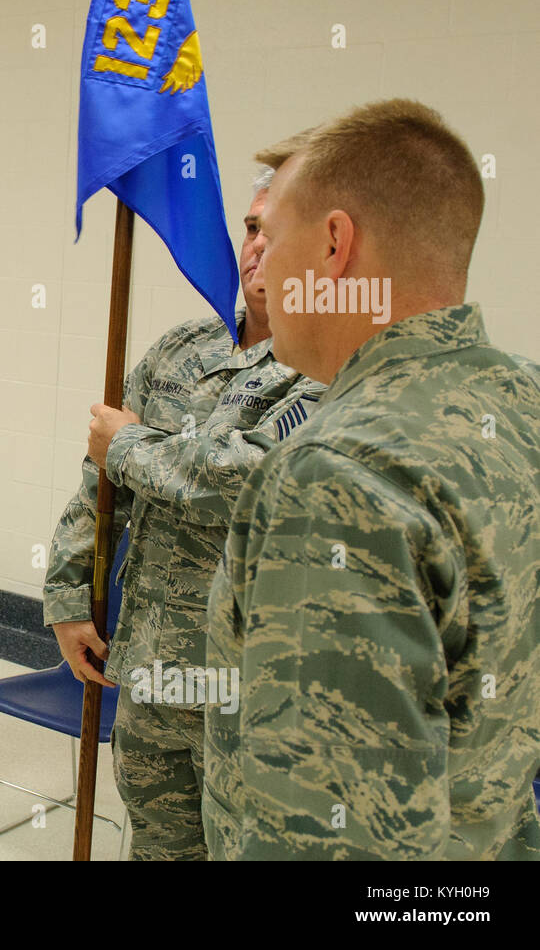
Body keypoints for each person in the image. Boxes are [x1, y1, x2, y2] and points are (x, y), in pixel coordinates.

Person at [204, 98, 540, 860]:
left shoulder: (337, 477)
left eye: (272, 236)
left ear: (332, 245)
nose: (258, 267)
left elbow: (330, 838)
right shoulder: (524, 402)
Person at [44, 174, 325, 860]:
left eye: (275, 230)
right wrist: (70, 594)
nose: (258, 246)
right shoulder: (181, 349)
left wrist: (131, 445)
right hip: (149, 672)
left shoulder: (329, 364)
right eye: (252, 227)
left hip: (250, 693)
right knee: (157, 849)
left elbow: (252, 477)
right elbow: (101, 487)